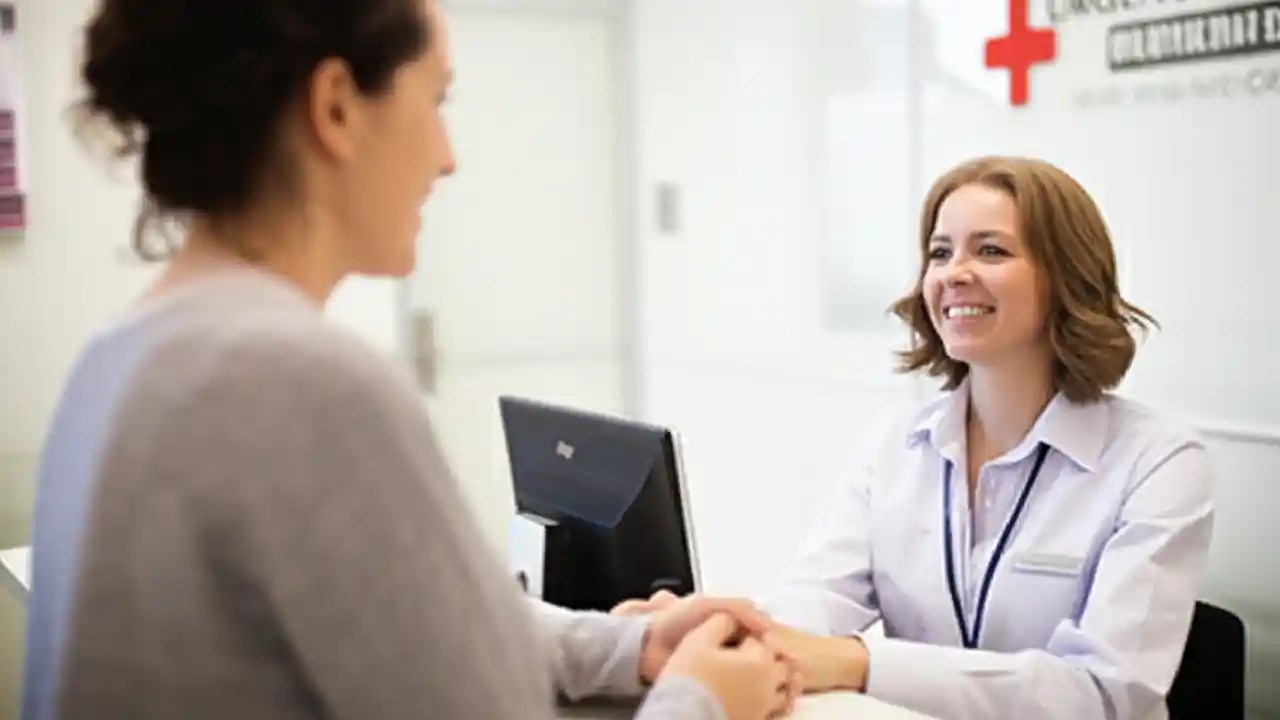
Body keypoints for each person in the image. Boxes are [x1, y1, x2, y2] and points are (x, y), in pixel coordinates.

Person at [20, 1, 796, 719]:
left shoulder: (120, 356)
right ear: (334, 108)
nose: (448, 156)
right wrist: (703, 698)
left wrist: (629, 647)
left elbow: (410, 625)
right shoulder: (303, 381)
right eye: (436, 101)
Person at [754, 155, 1216, 719]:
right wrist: (748, 639)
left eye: (991, 250)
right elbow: (819, 594)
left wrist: (859, 662)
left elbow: (1102, 696)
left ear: (1066, 275)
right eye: (940, 252)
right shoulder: (895, 444)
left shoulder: (1159, 462)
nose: (954, 273)